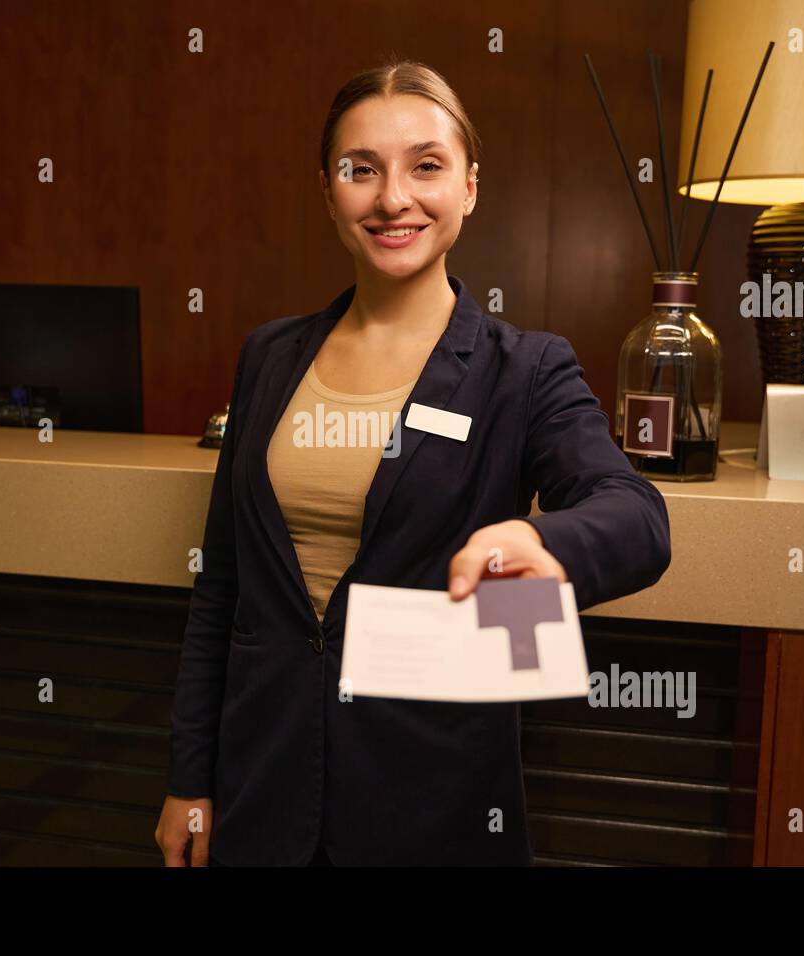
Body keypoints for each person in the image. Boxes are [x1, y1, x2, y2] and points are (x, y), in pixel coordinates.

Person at [155, 58, 671, 867]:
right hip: (263, 791)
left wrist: (549, 545)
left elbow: (638, 516)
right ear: (328, 192)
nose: (394, 197)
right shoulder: (268, 356)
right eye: (361, 170)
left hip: (433, 804)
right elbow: (222, 586)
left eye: (426, 165)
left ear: (469, 186)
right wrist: (190, 778)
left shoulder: (525, 368)